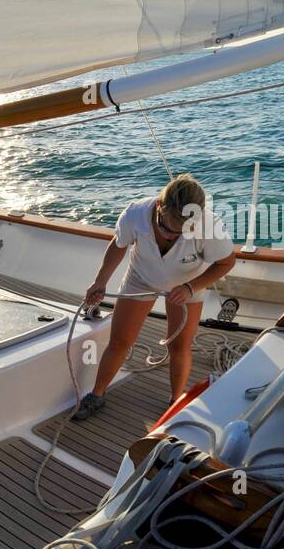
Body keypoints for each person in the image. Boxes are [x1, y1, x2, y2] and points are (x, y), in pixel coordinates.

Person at [74, 174, 235, 420]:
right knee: (120, 341)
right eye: (166, 229)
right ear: (160, 206)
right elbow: (119, 245)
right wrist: (101, 281)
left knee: (179, 346)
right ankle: (96, 394)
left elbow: (226, 262)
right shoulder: (135, 214)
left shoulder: (209, 226)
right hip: (141, 278)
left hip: (187, 285)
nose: (171, 236)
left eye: (182, 233)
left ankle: (174, 402)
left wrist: (191, 287)